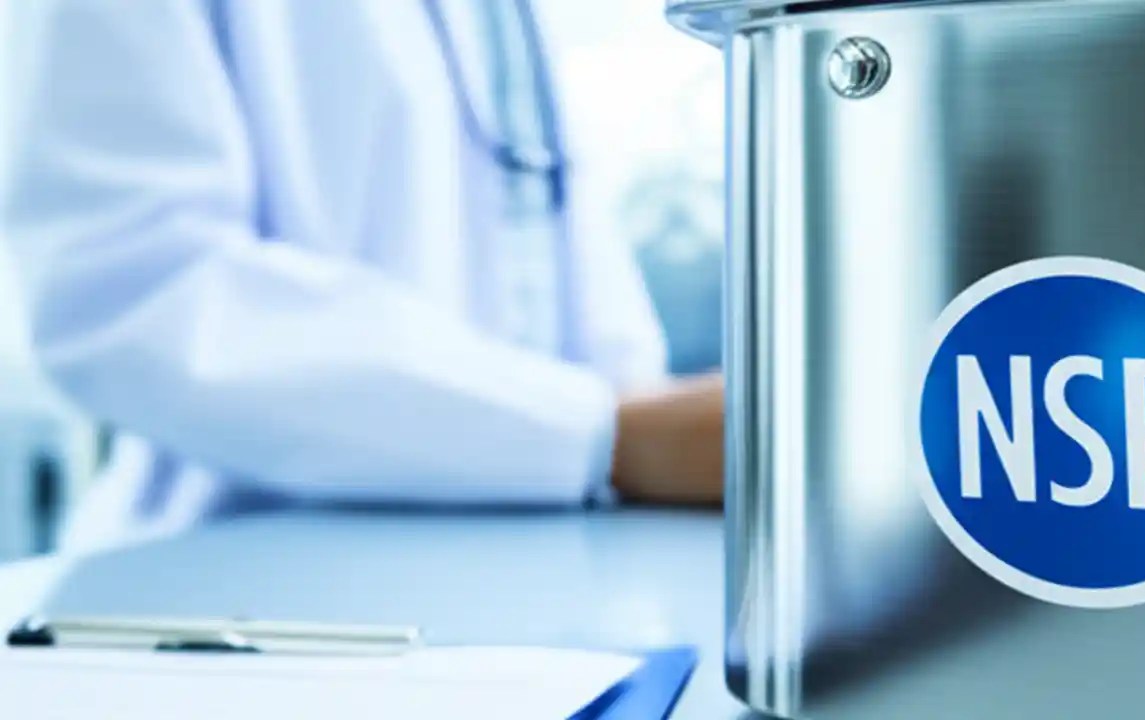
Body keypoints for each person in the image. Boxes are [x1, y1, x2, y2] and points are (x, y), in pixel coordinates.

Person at [0, 0, 723, 551]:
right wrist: (611, 435)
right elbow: (136, 289)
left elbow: (531, 223)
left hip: (526, 566)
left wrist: (651, 422)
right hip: (237, 591)